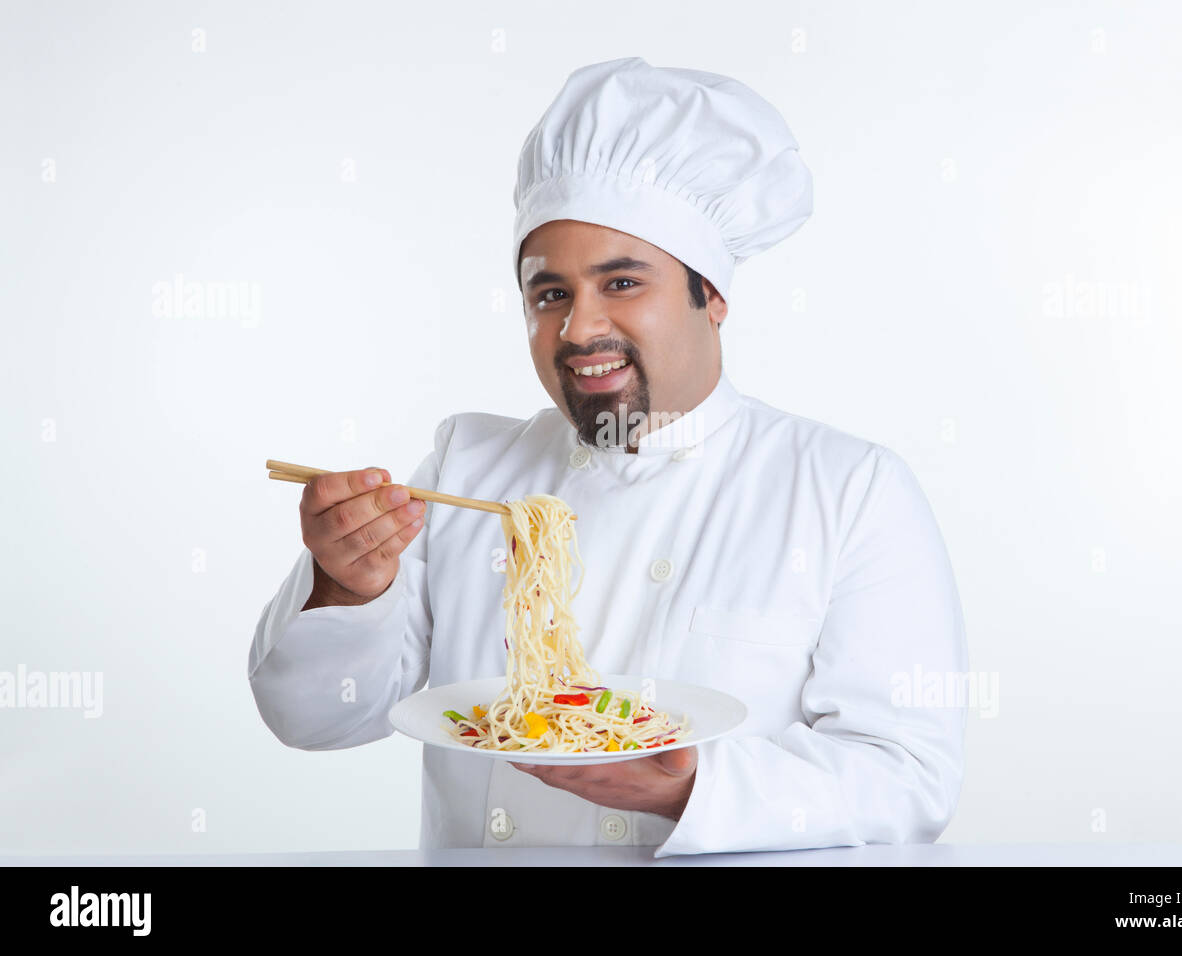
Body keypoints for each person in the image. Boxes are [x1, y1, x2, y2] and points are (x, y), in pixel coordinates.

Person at [248, 56, 968, 855]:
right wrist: (347, 585)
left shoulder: (846, 489)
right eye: (549, 293)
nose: (579, 329)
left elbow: (906, 777)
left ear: (713, 296)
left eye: (622, 283)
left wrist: (693, 790)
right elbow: (312, 719)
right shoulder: (469, 467)